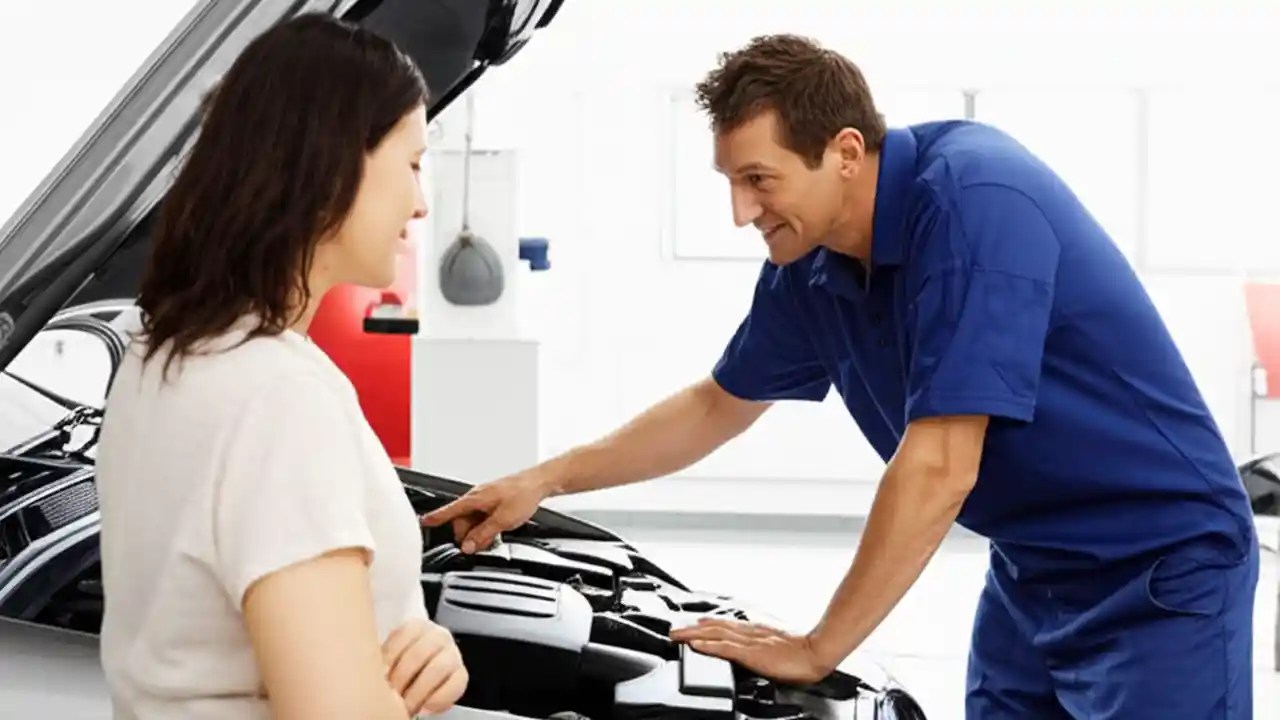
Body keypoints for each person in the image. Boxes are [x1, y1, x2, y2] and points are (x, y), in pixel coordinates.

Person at [423, 33, 1261, 719]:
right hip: (1031, 566)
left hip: (1159, 572)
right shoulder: (810, 262)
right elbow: (718, 404)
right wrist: (544, 479)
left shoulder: (976, 202)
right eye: (731, 182)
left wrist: (819, 645)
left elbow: (940, 465)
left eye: (760, 181)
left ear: (846, 153)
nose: (741, 211)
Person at [94, 14, 466, 720]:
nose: (419, 204)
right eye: (412, 164)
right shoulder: (278, 400)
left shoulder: (162, 351)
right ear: (331, 165)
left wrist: (420, 645)